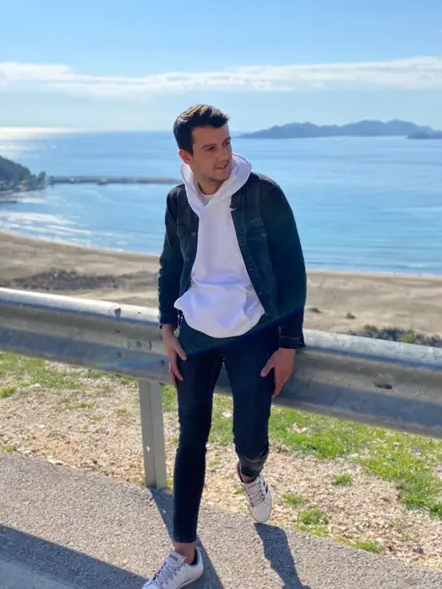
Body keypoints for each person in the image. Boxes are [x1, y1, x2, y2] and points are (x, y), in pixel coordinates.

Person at [144, 104, 307, 588]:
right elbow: (171, 264)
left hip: (253, 330)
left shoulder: (263, 194)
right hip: (195, 332)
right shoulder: (178, 200)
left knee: (249, 437)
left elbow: (292, 269)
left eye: (228, 143)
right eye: (210, 148)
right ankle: (185, 553)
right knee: (191, 435)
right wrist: (167, 327)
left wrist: (288, 343)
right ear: (186, 156)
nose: (224, 156)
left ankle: (250, 474)